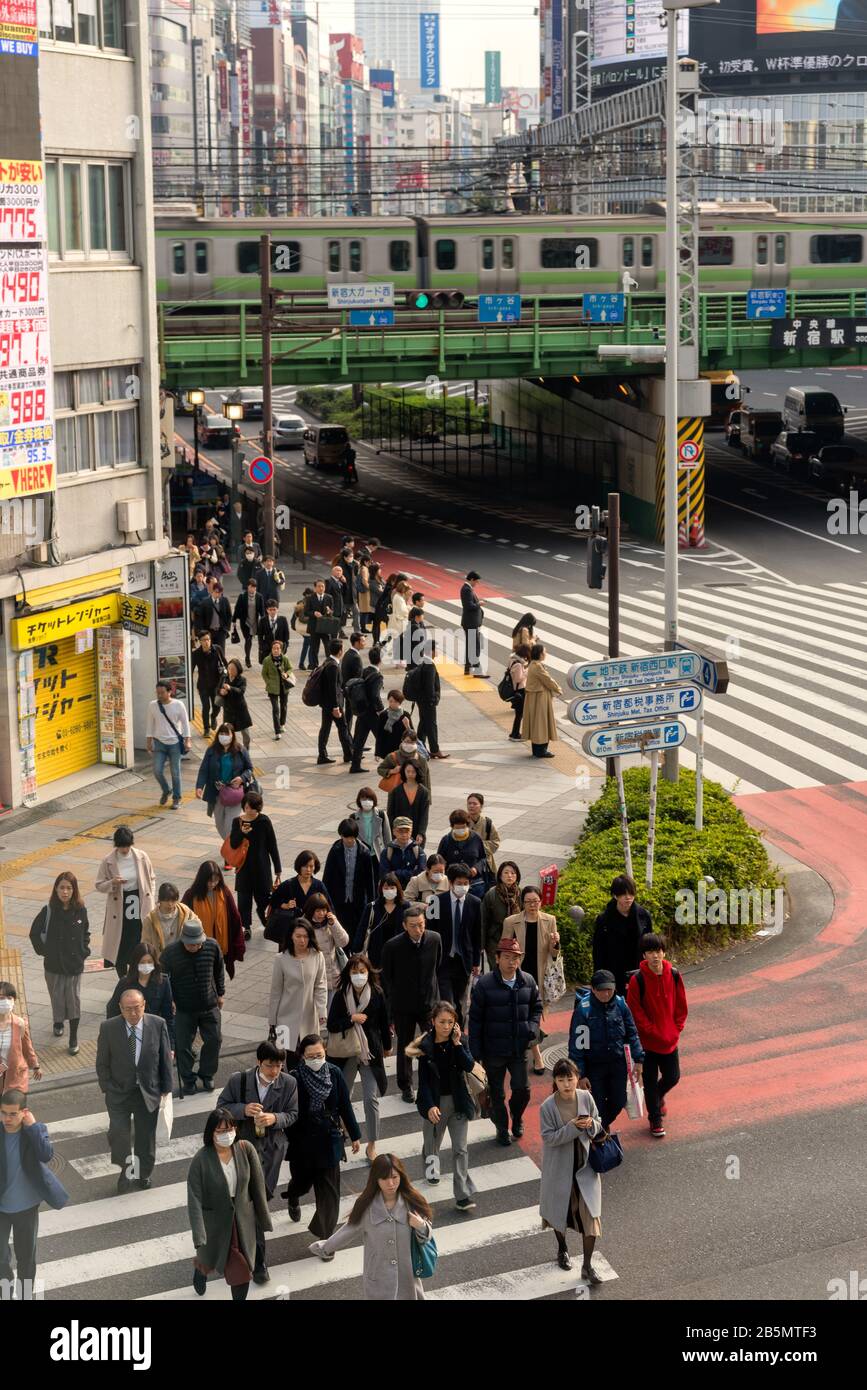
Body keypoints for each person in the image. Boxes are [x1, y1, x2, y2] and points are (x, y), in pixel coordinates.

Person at [217, 1040, 299, 1283]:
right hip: (242, 1150)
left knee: (257, 1201)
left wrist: (274, 1118)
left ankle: (242, 1246)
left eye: (279, 1065)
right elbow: (221, 1108)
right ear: (258, 1063)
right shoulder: (238, 1081)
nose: (274, 1071)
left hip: (271, 1151)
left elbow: (293, 1114)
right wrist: (243, 1110)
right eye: (269, 1065)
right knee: (252, 1204)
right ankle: (259, 1262)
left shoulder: (288, 1083)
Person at [309, 1153, 433, 1299]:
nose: (391, 1183)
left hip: (408, 1279)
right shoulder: (367, 1207)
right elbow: (348, 1230)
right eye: (385, 1178)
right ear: (376, 1179)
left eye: (394, 1177)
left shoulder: (412, 1202)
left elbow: (427, 1235)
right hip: (378, 1279)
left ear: (401, 1176)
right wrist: (325, 1248)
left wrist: (420, 1226)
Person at [187, 1108, 273, 1301]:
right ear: (211, 1133)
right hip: (215, 1222)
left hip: (242, 1220)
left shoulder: (245, 1149)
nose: (226, 1135)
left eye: (229, 1129)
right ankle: (201, 1270)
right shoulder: (201, 1160)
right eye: (220, 1131)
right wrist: (199, 1234)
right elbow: (194, 1199)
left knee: (240, 1269)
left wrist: (264, 1219)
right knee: (209, 1258)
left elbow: (257, 1187)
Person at [95, 988, 173, 1193]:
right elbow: (102, 1062)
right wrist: (107, 1086)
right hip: (119, 1092)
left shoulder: (157, 1024)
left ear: (144, 1005)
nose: (132, 1013)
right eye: (127, 1009)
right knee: (119, 1134)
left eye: (136, 1008)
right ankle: (125, 1170)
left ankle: (143, 1173)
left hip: (147, 1091)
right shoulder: (109, 1028)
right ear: (120, 1008)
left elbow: (164, 1058)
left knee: (145, 1137)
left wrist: (166, 1087)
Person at [468, 937, 542, 1147]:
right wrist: (476, 1053)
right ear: (497, 958)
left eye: (515, 958)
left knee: (522, 1090)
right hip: (493, 1050)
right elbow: (475, 1020)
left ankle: (517, 1117)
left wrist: (532, 1027)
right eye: (507, 957)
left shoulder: (527, 980)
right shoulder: (484, 985)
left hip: (518, 1048)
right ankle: (502, 1127)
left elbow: (536, 1007)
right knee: (496, 1094)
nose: (512, 962)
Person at [285, 1034, 361, 1237]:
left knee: (329, 1194)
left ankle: (326, 1236)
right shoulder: (294, 1078)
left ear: (325, 1051)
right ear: (302, 1056)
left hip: (329, 1140)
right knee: (301, 1183)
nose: (316, 1059)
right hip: (303, 1143)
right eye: (311, 1056)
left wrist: (354, 1135)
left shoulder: (335, 1073)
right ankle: (293, 1196)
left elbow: (345, 1105)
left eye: (319, 1054)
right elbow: (289, 1113)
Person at [407, 1000, 478, 1212]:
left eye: (450, 1022)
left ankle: (462, 1195)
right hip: (436, 1103)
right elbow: (425, 1082)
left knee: (461, 1149)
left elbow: (469, 1065)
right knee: (431, 1143)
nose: (446, 1026)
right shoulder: (426, 1047)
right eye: (442, 1022)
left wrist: (457, 1045)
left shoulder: (460, 1041)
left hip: (459, 1102)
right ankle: (431, 1171)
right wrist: (429, 1106)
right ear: (433, 1022)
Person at [539, 1059, 604, 1280]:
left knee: (591, 1219)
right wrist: (573, 1128)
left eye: (570, 1078)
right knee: (559, 1214)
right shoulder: (547, 1107)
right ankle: (562, 1248)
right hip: (559, 1170)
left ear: (577, 1078)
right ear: (555, 1081)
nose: (566, 1084)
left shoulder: (586, 1097)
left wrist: (591, 1126)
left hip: (585, 1168)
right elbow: (549, 1138)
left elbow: (598, 1123)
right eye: (561, 1079)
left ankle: (587, 1265)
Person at [0, 1090, 69, 1299]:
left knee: (26, 1258)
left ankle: (24, 1296)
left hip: (26, 1207)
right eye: (3, 1113)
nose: (7, 1119)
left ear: (24, 1113)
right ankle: (5, 1292)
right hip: (1, 1207)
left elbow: (46, 1154)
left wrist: (33, 1127)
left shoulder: (33, 1132)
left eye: (13, 1114)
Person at [326, 953, 391, 1163]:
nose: (359, 976)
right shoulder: (341, 995)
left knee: (370, 1098)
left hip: (369, 1052)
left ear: (368, 972)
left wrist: (387, 1047)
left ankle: (372, 1143)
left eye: (362, 972)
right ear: (349, 974)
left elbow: (383, 1023)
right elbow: (331, 1025)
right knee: (340, 1095)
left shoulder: (377, 993)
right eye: (354, 973)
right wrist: (351, 1019)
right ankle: (343, 1130)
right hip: (346, 1053)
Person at [625, 934, 688, 1139]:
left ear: (664, 952)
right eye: (651, 952)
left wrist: (676, 1028)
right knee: (650, 1082)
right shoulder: (638, 980)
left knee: (673, 1076)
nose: (655, 956)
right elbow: (635, 1012)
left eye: (659, 951)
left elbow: (681, 1006)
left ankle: (658, 1097)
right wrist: (651, 1031)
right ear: (644, 955)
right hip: (648, 1043)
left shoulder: (675, 975)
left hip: (670, 1040)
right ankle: (655, 1119)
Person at [568, 969, 645, 1131]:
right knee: (597, 1105)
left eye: (609, 989)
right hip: (594, 1066)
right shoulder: (583, 1010)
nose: (605, 994)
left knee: (618, 1101)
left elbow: (632, 1032)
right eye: (601, 990)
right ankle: (599, 1134)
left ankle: (598, 1129)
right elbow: (577, 1046)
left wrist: (639, 1059)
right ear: (593, 989)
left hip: (617, 1064)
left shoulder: (621, 1005)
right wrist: (580, 1074)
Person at [381, 904, 442, 1105]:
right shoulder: (392, 946)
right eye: (414, 926)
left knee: (433, 1044)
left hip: (428, 1004)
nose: (418, 929)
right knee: (406, 1047)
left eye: (421, 924)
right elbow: (387, 978)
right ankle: (406, 1085)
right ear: (404, 926)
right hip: (403, 1006)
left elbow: (437, 966)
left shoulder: (434, 939)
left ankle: (435, 1080)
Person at [161, 917, 225, 1095]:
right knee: (183, 1046)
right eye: (190, 945)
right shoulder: (170, 953)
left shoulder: (212, 946)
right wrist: (169, 1000)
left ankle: (207, 1074)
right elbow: (162, 977)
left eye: (197, 944)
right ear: (183, 940)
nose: (194, 947)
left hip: (209, 1004)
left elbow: (219, 969)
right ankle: (188, 1079)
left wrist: (221, 993)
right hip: (183, 1008)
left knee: (215, 1040)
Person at [28, 872, 89, 1055]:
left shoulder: (81, 910)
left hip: (73, 964)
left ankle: (73, 1037)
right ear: (56, 889)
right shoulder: (49, 910)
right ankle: (58, 1021)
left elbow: (85, 932)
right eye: (61, 887)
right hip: (53, 965)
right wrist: (45, 952)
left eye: (69, 888)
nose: (65, 891)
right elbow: (34, 933)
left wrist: (84, 951)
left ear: (74, 890)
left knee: (74, 1001)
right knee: (57, 998)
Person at [503, 885, 561, 1075]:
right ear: (522, 903)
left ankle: (530, 1050)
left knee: (531, 1016)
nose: (532, 905)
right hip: (518, 976)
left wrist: (555, 945)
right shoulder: (511, 922)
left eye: (535, 901)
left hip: (540, 976)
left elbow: (554, 954)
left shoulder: (549, 920)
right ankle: (537, 1055)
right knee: (525, 1016)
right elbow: (503, 950)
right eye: (528, 902)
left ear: (541, 901)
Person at [95, 827, 156, 978]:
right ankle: (123, 979)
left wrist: (151, 897)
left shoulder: (141, 856)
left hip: (138, 901)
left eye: (127, 846)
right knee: (120, 943)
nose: (124, 849)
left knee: (139, 939)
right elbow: (99, 885)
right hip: (119, 904)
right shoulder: (108, 860)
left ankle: (137, 977)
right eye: (121, 846)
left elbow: (152, 878)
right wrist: (113, 882)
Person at [429, 863, 482, 1024]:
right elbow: (430, 933)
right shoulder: (435, 901)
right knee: (447, 1002)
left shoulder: (475, 902)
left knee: (460, 1003)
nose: (463, 887)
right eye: (459, 883)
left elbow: (476, 934)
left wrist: (476, 962)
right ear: (451, 883)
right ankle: (447, 1032)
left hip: (463, 960)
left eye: (466, 884)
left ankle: (458, 1035)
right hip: (443, 960)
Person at [269, 920, 328, 1057]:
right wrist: (272, 1020)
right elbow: (276, 991)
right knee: (284, 1059)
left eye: (306, 936)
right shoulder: (281, 959)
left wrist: (322, 1011)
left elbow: (320, 986)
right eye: (298, 936)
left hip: (309, 1017)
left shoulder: (317, 956)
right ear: (291, 936)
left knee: (310, 1057)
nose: (302, 940)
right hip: (285, 1017)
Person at [230, 791, 282, 940]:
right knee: (244, 901)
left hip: (262, 869)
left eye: (251, 807)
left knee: (264, 899)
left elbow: (272, 845)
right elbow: (233, 844)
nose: (248, 810)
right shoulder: (237, 822)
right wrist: (241, 833)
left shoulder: (264, 821)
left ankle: (265, 919)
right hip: (243, 869)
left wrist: (277, 869)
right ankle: (246, 927)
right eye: (245, 806)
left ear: (258, 808)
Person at [182, 861, 246, 981]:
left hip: (220, 949)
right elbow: (182, 919)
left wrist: (239, 944)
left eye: (216, 880)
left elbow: (235, 917)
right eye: (209, 880)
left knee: (217, 979)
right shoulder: (191, 895)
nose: (213, 884)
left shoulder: (224, 893)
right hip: (198, 948)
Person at [593, 874, 653, 996]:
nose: (628, 898)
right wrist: (599, 977)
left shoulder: (643, 915)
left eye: (631, 894)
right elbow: (598, 951)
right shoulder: (604, 919)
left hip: (638, 969)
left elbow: (650, 945)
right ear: (615, 895)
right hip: (614, 972)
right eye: (623, 894)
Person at [106, 942, 175, 1048]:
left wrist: (170, 1045)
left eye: (149, 962)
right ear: (136, 963)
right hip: (129, 1034)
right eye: (142, 962)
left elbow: (168, 1016)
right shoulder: (125, 983)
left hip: (153, 1035)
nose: (146, 965)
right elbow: (112, 1010)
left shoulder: (163, 982)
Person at [195, 723, 255, 844]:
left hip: (235, 794)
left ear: (232, 735)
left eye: (226, 733)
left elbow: (249, 769)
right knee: (219, 824)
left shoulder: (240, 750)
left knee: (229, 826)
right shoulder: (211, 751)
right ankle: (236, 842)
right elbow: (204, 770)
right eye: (221, 733)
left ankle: (232, 851)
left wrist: (241, 778)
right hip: (217, 794)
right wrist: (199, 787)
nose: (223, 736)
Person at [322, 819, 376, 952]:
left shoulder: (364, 852)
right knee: (341, 934)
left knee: (357, 933)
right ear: (341, 835)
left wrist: (372, 902)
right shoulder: (335, 850)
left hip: (357, 901)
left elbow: (370, 880)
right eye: (347, 837)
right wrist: (325, 901)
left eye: (352, 837)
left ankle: (355, 959)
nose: (350, 840)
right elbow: (327, 877)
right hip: (339, 901)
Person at [267, 851, 332, 942]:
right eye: (305, 866)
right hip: (291, 932)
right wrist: (285, 905)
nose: (308, 870)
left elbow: (329, 906)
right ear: (299, 866)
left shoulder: (319, 886)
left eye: (311, 866)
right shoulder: (288, 885)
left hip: (313, 932)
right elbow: (273, 900)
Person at [146, 681, 191, 808]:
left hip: (175, 744)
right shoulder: (152, 705)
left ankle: (177, 798)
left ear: (170, 692)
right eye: (158, 693)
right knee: (157, 770)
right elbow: (150, 724)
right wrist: (149, 742)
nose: (159, 695)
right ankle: (166, 790)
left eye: (162, 693)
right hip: (159, 743)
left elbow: (185, 723)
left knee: (175, 772)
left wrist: (187, 740)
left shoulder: (178, 705)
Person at [304, 893, 350, 1007]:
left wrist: (334, 925)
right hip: (314, 977)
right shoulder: (304, 925)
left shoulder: (330, 923)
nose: (321, 914)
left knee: (331, 1012)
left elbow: (343, 942)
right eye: (318, 911)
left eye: (324, 910)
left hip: (333, 975)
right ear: (311, 910)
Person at [409, 638, 448, 759]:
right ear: (431, 651)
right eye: (436, 650)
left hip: (421, 700)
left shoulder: (423, 663)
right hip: (428, 702)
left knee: (424, 724)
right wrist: (433, 700)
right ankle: (435, 750)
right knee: (431, 725)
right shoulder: (430, 665)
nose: (437, 652)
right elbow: (430, 686)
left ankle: (419, 746)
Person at [348, 645, 384, 773]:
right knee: (382, 737)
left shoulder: (365, 671)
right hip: (372, 713)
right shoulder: (377, 676)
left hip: (362, 711)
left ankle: (355, 765)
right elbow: (375, 696)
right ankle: (390, 764)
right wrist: (381, 711)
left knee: (359, 739)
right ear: (381, 659)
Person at [317, 638, 354, 764]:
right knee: (343, 727)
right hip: (333, 704)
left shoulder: (328, 661)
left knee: (325, 729)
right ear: (339, 651)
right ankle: (349, 754)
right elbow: (333, 688)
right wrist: (335, 707)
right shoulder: (333, 666)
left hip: (326, 703)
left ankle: (322, 755)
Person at [0, 985, 41, 1091]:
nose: (6, 1001)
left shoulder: (20, 1024)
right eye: (1, 998)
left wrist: (35, 1066)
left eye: (9, 998)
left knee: (12, 1106)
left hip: (15, 1076)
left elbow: (27, 1047)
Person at [437, 810, 487, 895]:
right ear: (452, 827)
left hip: (474, 884)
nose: (460, 830)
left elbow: (483, 858)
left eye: (463, 827)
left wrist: (476, 868)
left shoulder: (476, 838)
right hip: (453, 884)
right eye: (457, 828)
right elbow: (439, 861)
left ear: (468, 825)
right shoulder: (446, 840)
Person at [524, 643, 561, 758]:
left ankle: (538, 750)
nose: (545, 654)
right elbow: (547, 680)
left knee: (536, 724)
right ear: (540, 654)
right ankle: (541, 750)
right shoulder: (537, 666)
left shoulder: (532, 665)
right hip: (540, 698)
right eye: (544, 652)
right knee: (541, 724)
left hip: (535, 697)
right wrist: (558, 689)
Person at [142, 881, 197, 953]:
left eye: (174, 900)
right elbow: (146, 943)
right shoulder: (150, 919)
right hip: (160, 958)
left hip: (181, 956)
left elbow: (197, 926)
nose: (170, 904)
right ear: (160, 900)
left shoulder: (185, 911)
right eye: (167, 900)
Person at [364, 874, 407, 966]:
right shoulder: (372, 907)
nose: (389, 891)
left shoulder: (405, 906)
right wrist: (356, 950)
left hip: (400, 952)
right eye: (386, 888)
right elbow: (362, 929)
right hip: (377, 954)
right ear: (381, 889)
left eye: (392, 888)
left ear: (397, 888)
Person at [190, 632, 227, 737]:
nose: (206, 642)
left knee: (217, 706)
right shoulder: (196, 654)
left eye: (208, 639)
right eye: (204, 640)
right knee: (205, 706)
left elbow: (225, 662)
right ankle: (206, 728)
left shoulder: (217, 649)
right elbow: (191, 670)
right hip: (203, 685)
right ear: (200, 641)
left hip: (216, 684)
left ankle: (213, 717)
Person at [386, 761, 430, 846]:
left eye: (413, 772)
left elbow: (424, 815)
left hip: (416, 832)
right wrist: (393, 832)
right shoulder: (396, 791)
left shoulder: (423, 792)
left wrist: (421, 833)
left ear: (417, 772)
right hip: (399, 833)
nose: (410, 774)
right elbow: (390, 813)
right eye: (408, 771)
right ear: (403, 772)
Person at [377, 729, 431, 793]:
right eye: (407, 741)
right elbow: (380, 769)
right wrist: (392, 771)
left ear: (415, 742)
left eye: (412, 742)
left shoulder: (421, 759)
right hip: (397, 795)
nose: (409, 744)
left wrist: (426, 800)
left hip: (415, 795)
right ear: (402, 740)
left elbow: (426, 781)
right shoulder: (393, 756)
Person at [379, 817, 426, 889]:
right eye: (400, 831)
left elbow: (421, 873)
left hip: (413, 891)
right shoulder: (387, 852)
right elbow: (385, 875)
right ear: (394, 831)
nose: (404, 835)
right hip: (393, 891)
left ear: (411, 832)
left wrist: (395, 873)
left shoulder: (418, 851)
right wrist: (409, 873)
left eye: (407, 831)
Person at [261, 638, 294, 740]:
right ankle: (277, 731)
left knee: (283, 706)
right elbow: (264, 673)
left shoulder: (285, 659)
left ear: (281, 650)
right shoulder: (267, 660)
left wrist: (287, 674)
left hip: (284, 687)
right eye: (274, 648)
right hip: (272, 688)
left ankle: (282, 723)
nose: (276, 650)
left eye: (278, 648)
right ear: (271, 649)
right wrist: (268, 682)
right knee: (276, 709)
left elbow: (290, 668)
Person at [466, 793, 500, 888]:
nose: (471, 806)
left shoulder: (487, 823)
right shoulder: (462, 822)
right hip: (467, 864)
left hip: (486, 865)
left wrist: (477, 846)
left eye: (474, 804)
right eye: (469, 803)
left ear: (481, 806)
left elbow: (495, 842)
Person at [217, 660, 253, 750]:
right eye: (229, 668)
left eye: (233, 669)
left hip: (240, 710)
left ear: (238, 670)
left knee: (245, 733)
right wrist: (221, 692)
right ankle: (229, 748)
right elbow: (217, 689)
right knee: (228, 732)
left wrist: (230, 688)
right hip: (228, 710)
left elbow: (241, 691)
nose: (230, 671)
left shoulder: (242, 680)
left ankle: (246, 748)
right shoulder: (224, 678)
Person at [349, 786, 390, 861]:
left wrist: (389, 854)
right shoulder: (353, 817)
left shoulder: (381, 815)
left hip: (378, 854)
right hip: (361, 856)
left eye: (370, 799)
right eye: (364, 799)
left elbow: (387, 836)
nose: (367, 801)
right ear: (359, 800)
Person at [340, 632, 367, 740]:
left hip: (347, 690)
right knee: (353, 717)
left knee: (349, 716)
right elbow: (358, 678)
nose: (365, 643)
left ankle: (351, 740)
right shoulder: (355, 657)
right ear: (356, 643)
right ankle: (352, 741)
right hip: (354, 692)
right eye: (363, 641)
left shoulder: (348, 653)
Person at [232, 579, 265, 669]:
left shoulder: (259, 597)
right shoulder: (242, 596)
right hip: (245, 622)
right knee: (248, 639)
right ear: (248, 587)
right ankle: (247, 658)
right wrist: (234, 620)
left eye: (254, 587)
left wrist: (264, 620)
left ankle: (249, 657)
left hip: (254, 621)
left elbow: (262, 611)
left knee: (250, 639)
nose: (252, 589)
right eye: (251, 587)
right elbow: (237, 608)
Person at [193, 581, 232, 655]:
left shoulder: (224, 601)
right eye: (216, 592)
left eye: (220, 593)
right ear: (212, 591)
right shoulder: (205, 602)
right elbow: (199, 618)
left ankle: (221, 666)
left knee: (221, 651)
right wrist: (201, 632)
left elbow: (229, 615)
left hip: (221, 631)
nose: (218, 594)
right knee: (210, 651)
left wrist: (226, 628)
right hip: (209, 632)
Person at [303, 579, 335, 669]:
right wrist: (314, 613)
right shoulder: (310, 598)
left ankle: (329, 664)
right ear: (315, 588)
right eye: (319, 586)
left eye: (323, 586)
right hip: (314, 627)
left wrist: (329, 612)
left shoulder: (329, 597)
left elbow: (332, 611)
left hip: (325, 627)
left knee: (328, 646)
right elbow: (306, 612)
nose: (321, 588)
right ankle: (314, 666)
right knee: (314, 648)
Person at [460, 570, 486, 676]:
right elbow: (468, 606)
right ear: (471, 579)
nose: (477, 583)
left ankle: (468, 667)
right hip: (470, 623)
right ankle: (477, 669)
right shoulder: (467, 590)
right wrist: (479, 604)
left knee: (471, 645)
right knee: (474, 646)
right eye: (476, 581)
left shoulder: (468, 589)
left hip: (471, 622)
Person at [506, 643, 530, 740]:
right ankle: (515, 734)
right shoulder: (519, 665)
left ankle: (514, 733)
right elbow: (518, 679)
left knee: (519, 714)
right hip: (519, 691)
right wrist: (527, 672)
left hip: (516, 691)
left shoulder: (512, 660)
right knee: (519, 714)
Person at [257, 597, 291, 666]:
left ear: (277, 609)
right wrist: (262, 646)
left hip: (279, 649)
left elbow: (286, 635)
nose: (272, 612)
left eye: (274, 609)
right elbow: (260, 635)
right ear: (267, 610)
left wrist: (284, 646)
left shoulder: (283, 620)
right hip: (267, 649)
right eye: (270, 610)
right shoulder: (263, 620)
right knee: (268, 668)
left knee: (279, 667)